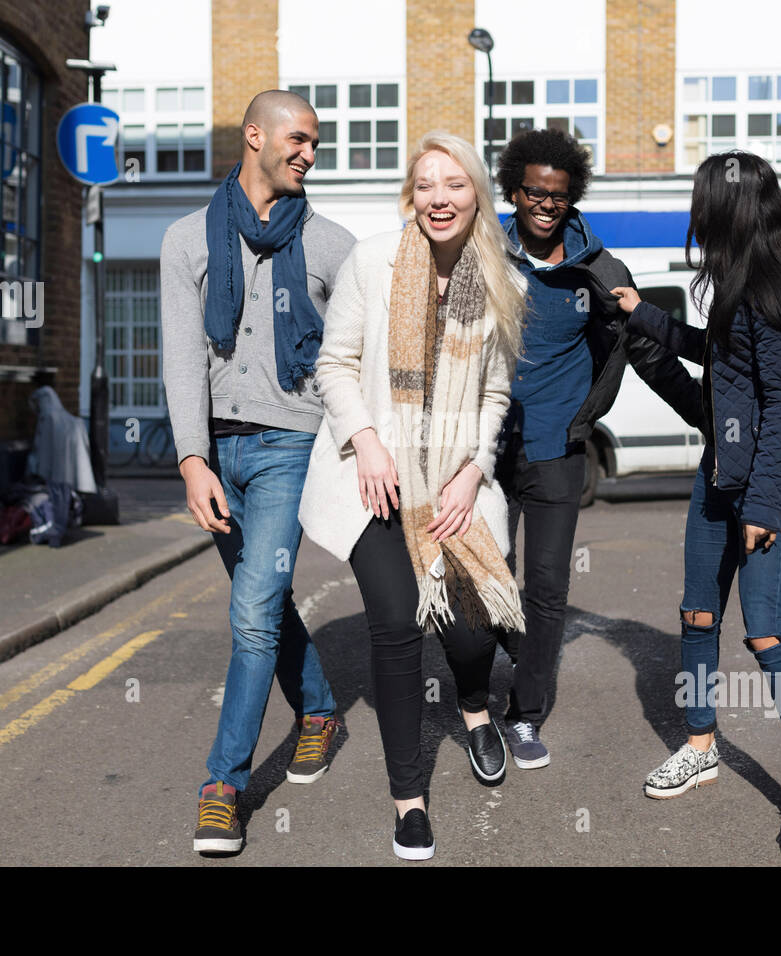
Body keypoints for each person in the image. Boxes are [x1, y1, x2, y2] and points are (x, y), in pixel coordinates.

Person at [298, 131, 527, 861]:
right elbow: (335, 363)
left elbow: (494, 393)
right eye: (425, 185)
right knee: (395, 624)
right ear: (411, 195)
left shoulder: (501, 282)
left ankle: (473, 703)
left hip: (452, 482)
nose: (439, 198)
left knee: (468, 634)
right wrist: (365, 439)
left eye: (454, 184)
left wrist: (473, 469)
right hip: (374, 477)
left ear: (476, 196)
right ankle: (409, 799)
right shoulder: (372, 262)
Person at [610, 150, 781, 864]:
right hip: (721, 473)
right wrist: (641, 313)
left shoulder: (774, 289)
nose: (696, 217)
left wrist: (763, 505)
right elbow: (717, 357)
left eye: (704, 204)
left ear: (729, 210)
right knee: (697, 616)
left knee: (766, 633)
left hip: (766, 483)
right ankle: (701, 744)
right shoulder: (741, 284)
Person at [159, 89, 356, 855]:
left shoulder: (335, 246)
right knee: (264, 601)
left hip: (287, 448)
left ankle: (223, 785)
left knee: (249, 615)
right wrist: (190, 459)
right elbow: (181, 358)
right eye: (300, 139)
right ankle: (318, 710)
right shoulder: (186, 241)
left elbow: (358, 350)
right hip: (217, 453)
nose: (310, 152)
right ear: (255, 137)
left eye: (315, 142)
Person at [491, 128, 704, 769]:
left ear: (571, 196)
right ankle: (513, 659)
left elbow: (651, 356)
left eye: (557, 195)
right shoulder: (483, 258)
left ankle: (525, 715)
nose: (545, 204)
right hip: (485, 448)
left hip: (558, 450)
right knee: (483, 581)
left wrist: (712, 418)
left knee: (548, 588)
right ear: (514, 190)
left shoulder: (602, 273)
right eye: (533, 192)